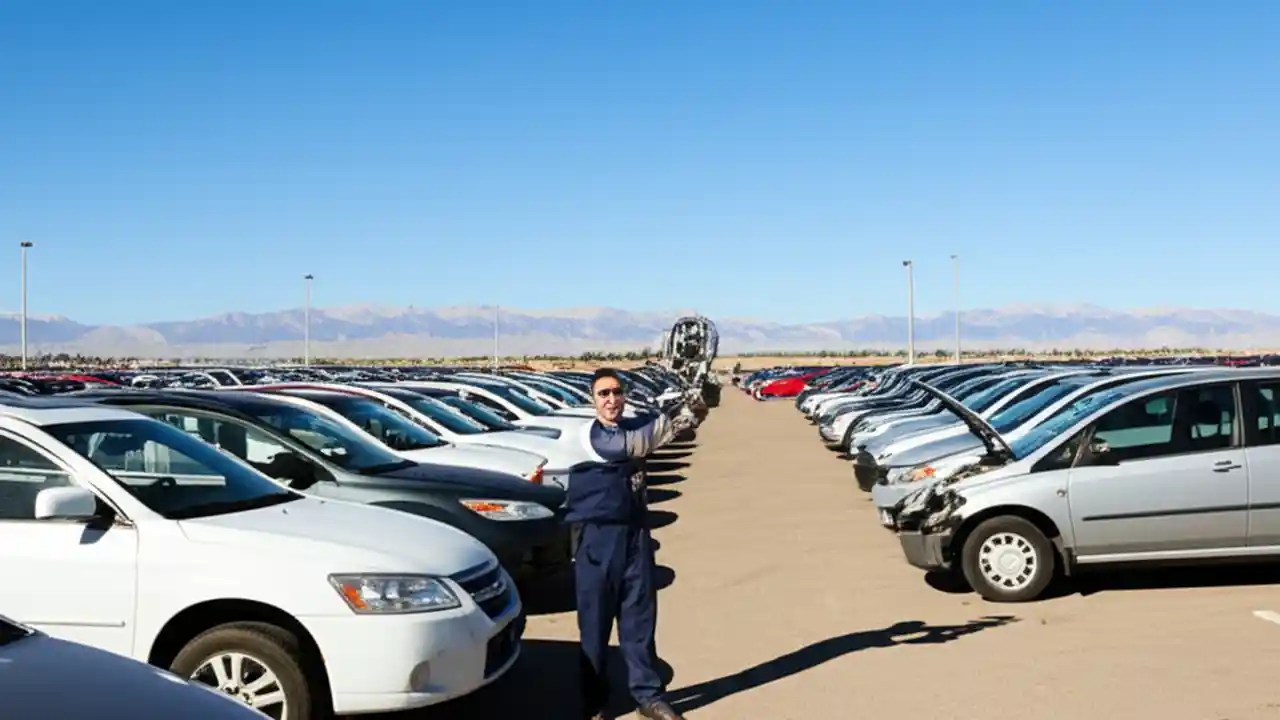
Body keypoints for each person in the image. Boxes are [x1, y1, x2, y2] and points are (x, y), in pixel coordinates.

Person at [565, 368, 687, 720]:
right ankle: (595, 701)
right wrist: (673, 418)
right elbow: (632, 445)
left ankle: (648, 696)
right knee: (595, 625)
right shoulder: (590, 436)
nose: (611, 400)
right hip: (596, 540)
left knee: (640, 620)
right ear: (593, 399)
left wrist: (685, 408)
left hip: (635, 536)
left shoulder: (629, 426)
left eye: (617, 392)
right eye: (603, 393)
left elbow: (654, 427)